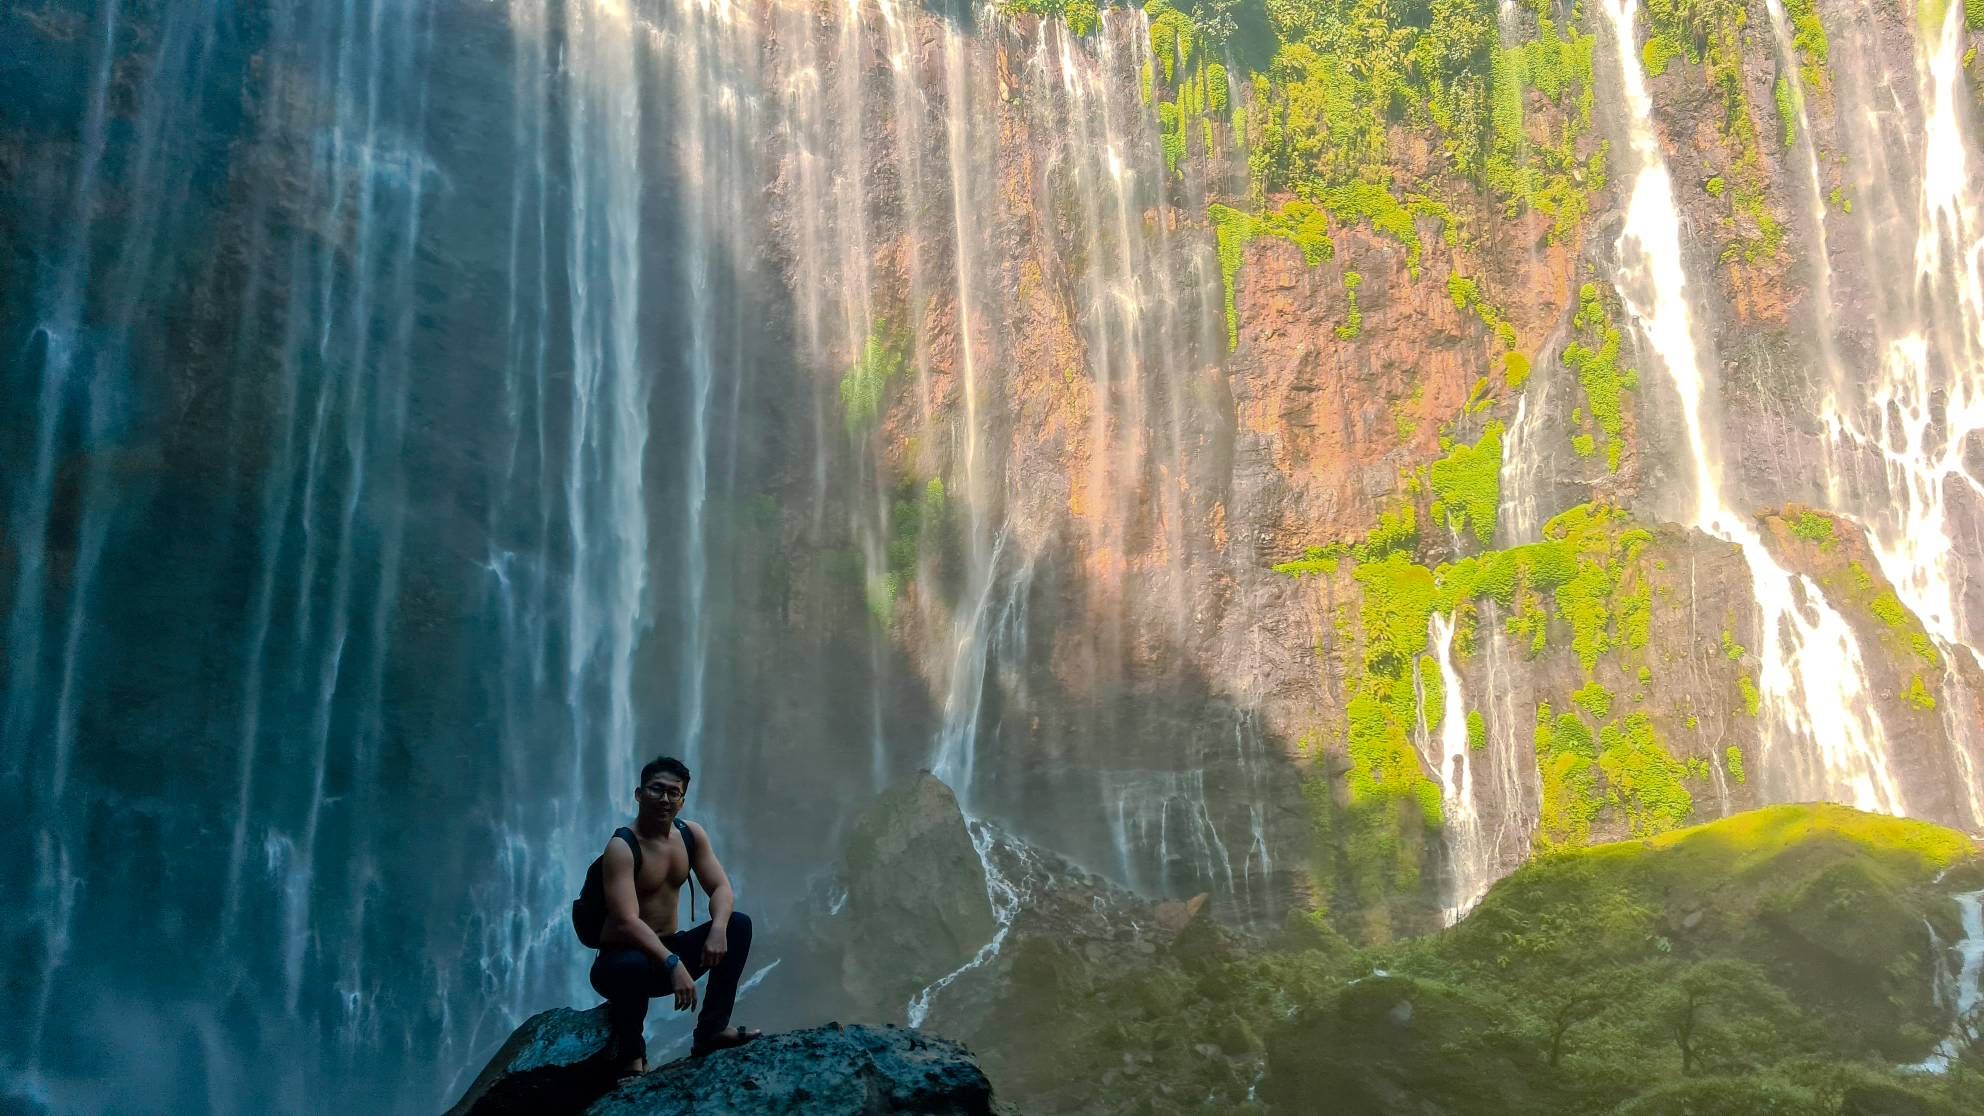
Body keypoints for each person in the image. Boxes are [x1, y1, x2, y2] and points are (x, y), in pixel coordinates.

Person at [589, 755, 761, 1079]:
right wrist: (672, 963)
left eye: (673, 792)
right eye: (656, 790)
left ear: (682, 802)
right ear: (639, 795)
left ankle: (711, 1032)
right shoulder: (622, 848)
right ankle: (631, 1057)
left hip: (668, 951)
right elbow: (625, 920)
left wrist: (718, 928)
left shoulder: (690, 835)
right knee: (633, 964)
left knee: (739, 925)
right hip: (619, 962)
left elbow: (721, 887)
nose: (665, 798)